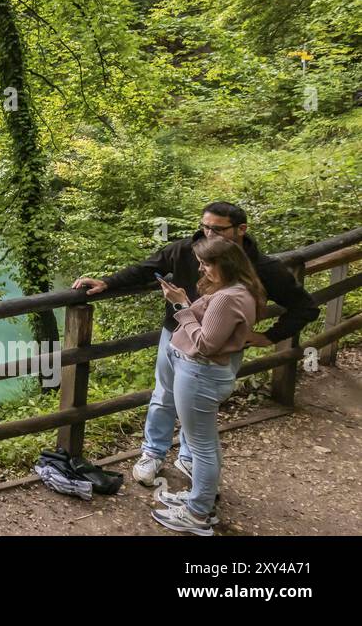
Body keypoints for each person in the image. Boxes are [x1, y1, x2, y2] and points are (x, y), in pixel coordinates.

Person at [72, 201, 316, 489]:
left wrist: (269, 337)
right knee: (164, 394)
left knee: (202, 403)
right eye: (205, 226)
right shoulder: (185, 250)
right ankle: (153, 452)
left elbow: (305, 307)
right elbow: (147, 267)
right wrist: (108, 282)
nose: (208, 234)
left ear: (241, 229)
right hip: (175, 336)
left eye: (217, 228)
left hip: (219, 348)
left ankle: (189, 459)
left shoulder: (261, 267)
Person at [145, 236, 262, 534]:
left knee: (203, 447)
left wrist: (181, 307)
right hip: (208, 374)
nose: (202, 269)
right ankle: (201, 500)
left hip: (200, 374)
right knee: (205, 443)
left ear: (226, 264)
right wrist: (186, 300)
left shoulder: (227, 297)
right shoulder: (241, 289)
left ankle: (197, 514)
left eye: (207, 264)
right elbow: (213, 325)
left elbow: (205, 343)